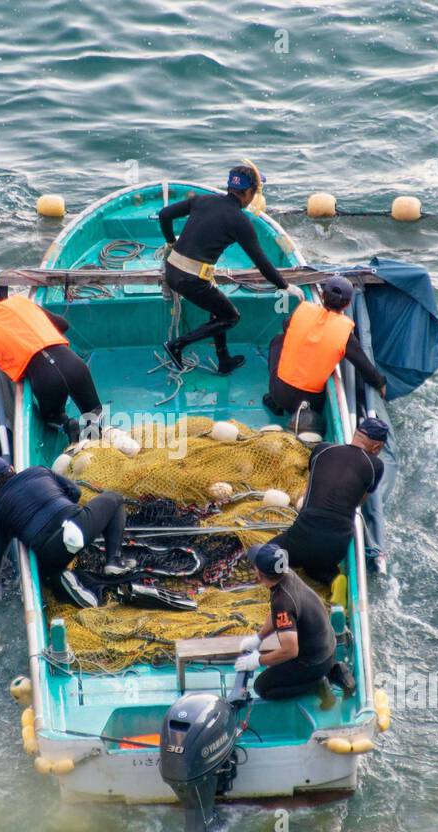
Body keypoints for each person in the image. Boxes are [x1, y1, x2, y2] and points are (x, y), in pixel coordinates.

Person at [158, 166, 304, 375]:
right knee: (230, 317)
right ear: (248, 193)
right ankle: (178, 345)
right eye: (254, 194)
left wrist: (171, 242)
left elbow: (164, 215)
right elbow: (262, 263)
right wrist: (285, 286)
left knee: (217, 307)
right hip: (191, 281)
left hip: (172, 271)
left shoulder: (202, 200)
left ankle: (224, 360)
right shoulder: (239, 221)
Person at [0, 456, 135, 604]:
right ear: (12, 468)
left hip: (49, 552)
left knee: (47, 570)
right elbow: (75, 492)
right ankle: (113, 561)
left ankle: (61, 579)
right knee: (115, 498)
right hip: (76, 528)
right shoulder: (37, 470)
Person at [0, 287, 102, 441]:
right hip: (74, 364)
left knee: (54, 417)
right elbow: (63, 324)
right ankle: (98, 444)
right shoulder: (21, 303)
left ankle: (68, 424)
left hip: (46, 379)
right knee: (94, 412)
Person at [268, 417, 388, 583]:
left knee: (266, 553)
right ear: (376, 447)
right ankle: (322, 574)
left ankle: (301, 566)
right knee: (318, 568)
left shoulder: (322, 449)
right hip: (334, 548)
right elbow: (359, 502)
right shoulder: (376, 466)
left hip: (301, 536)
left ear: (356, 433)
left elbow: (311, 486)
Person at [237, 542, 354, 704]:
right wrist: (259, 637)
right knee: (276, 668)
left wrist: (258, 661)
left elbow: (290, 650)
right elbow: (277, 615)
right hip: (328, 647)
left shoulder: (282, 601)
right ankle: (332, 670)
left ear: (260, 573)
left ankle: (317, 684)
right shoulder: (287, 576)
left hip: (313, 662)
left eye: (254, 566)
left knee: (263, 688)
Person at [263, 275, 388, 418]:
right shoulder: (345, 333)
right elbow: (365, 366)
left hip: (279, 393)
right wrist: (380, 383)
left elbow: (286, 327)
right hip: (310, 404)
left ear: (322, 296)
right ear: (347, 304)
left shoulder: (302, 310)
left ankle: (275, 402)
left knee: (278, 341)